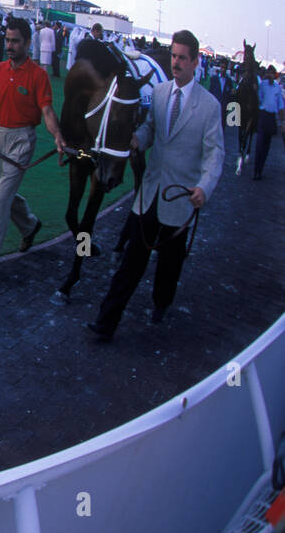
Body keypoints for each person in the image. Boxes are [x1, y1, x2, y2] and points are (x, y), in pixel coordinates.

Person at [87, 30, 224, 340]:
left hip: (180, 199)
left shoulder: (210, 106)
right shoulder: (160, 93)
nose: (175, 63)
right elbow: (150, 129)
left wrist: (205, 187)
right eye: (173, 56)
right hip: (149, 195)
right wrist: (137, 140)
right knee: (130, 264)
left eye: (182, 58)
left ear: (195, 61)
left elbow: (215, 154)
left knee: (169, 265)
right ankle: (105, 323)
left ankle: (162, 303)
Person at [0, 17, 66, 282]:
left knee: (0, 201)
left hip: (22, 139)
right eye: (7, 40)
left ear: (27, 42)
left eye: (15, 41)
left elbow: (46, 110)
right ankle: (30, 226)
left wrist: (57, 136)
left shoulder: (38, 75)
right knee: (4, 193)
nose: (9, 45)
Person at [253, 65, 284, 180]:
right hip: (263, 116)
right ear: (267, 74)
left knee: (266, 146)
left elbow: (280, 105)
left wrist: (282, 122)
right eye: (269, 73)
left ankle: (260, 170)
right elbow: (259, 99)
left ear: (274, 75)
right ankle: (256, 169)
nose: (270, 75)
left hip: (271, 118)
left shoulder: (277, 88)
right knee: (259, 144)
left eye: (272, 73)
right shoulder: (263, 86)